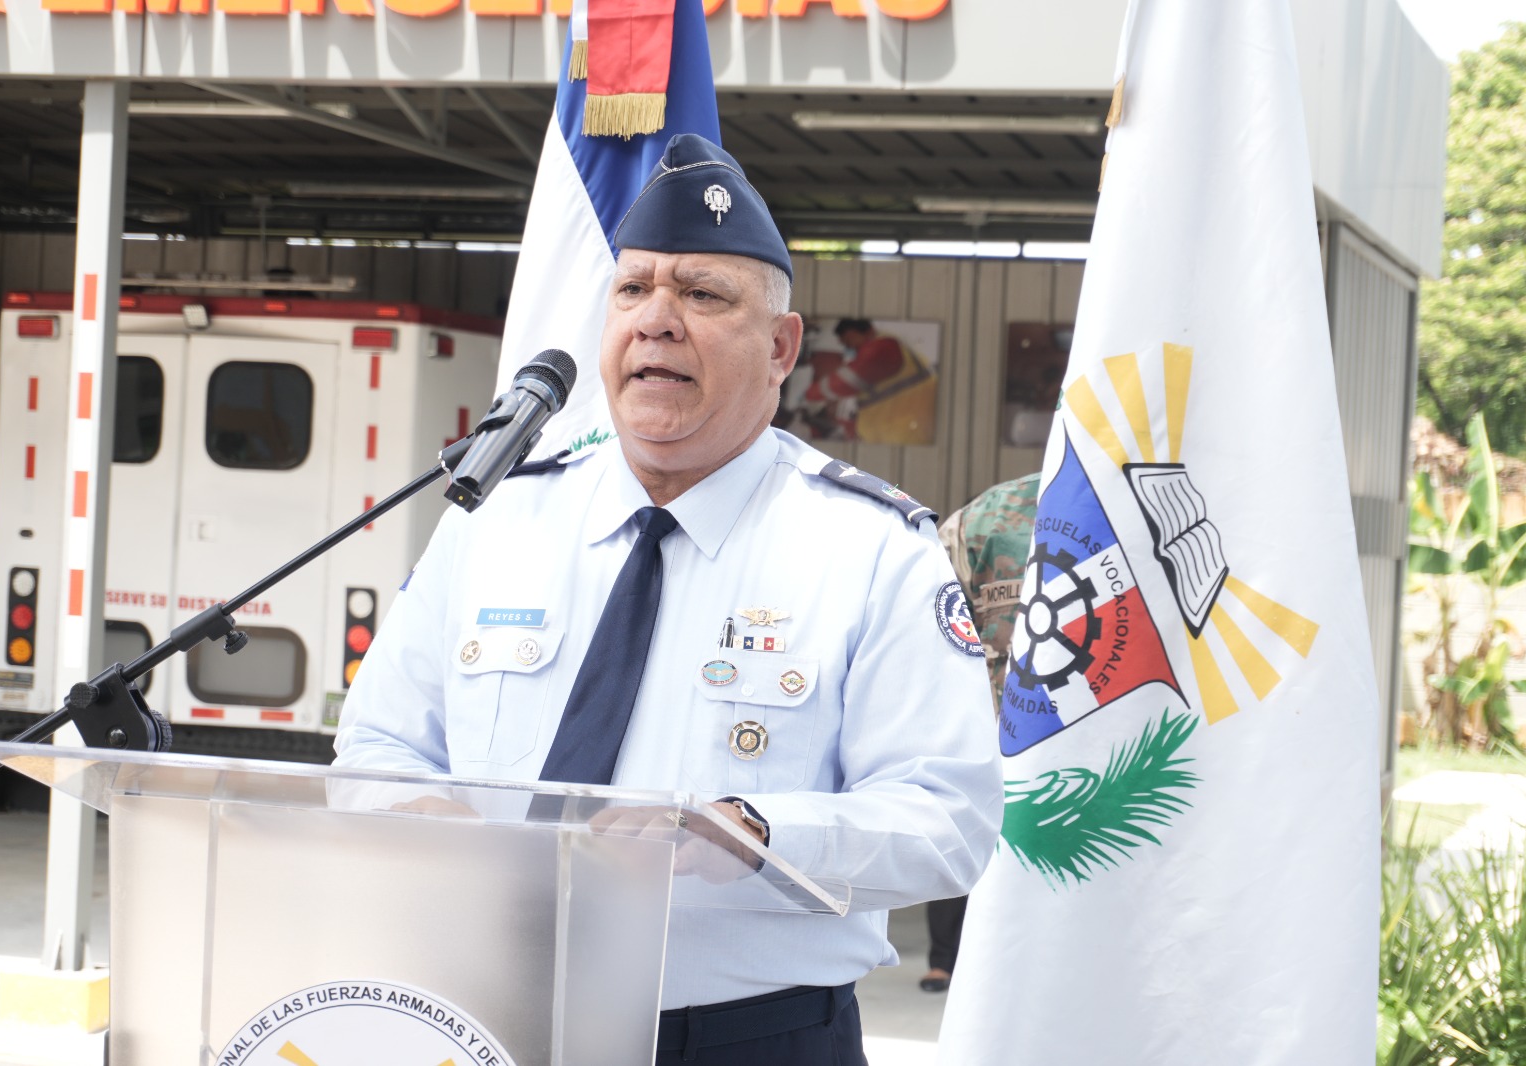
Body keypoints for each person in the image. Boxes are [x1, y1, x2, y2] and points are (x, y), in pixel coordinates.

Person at [333, 133, 1002, 1066]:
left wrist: (758, 833)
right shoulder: (498, 520)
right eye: (632, 288)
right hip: (485, 1021)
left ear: (780, 348)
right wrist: (419, 817)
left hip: (747, 1042)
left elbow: (948, 822)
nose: (656, 319)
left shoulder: (869, 549)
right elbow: (377, 746)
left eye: (702, 294)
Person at [918, 472, 1042, 994]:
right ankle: (946, 959)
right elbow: (929, 618)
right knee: (960, 832)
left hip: (1093, 741)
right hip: (983, 722)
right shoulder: (989, 517)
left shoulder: (1133, 504)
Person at [803, 318, 938, 445]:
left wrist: (809, 394)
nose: (847, 347)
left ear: (852, 332)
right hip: (898, 430)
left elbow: (842, 383)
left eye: (846, 341)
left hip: (906, 433)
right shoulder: (886, 345)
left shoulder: (884, 348)